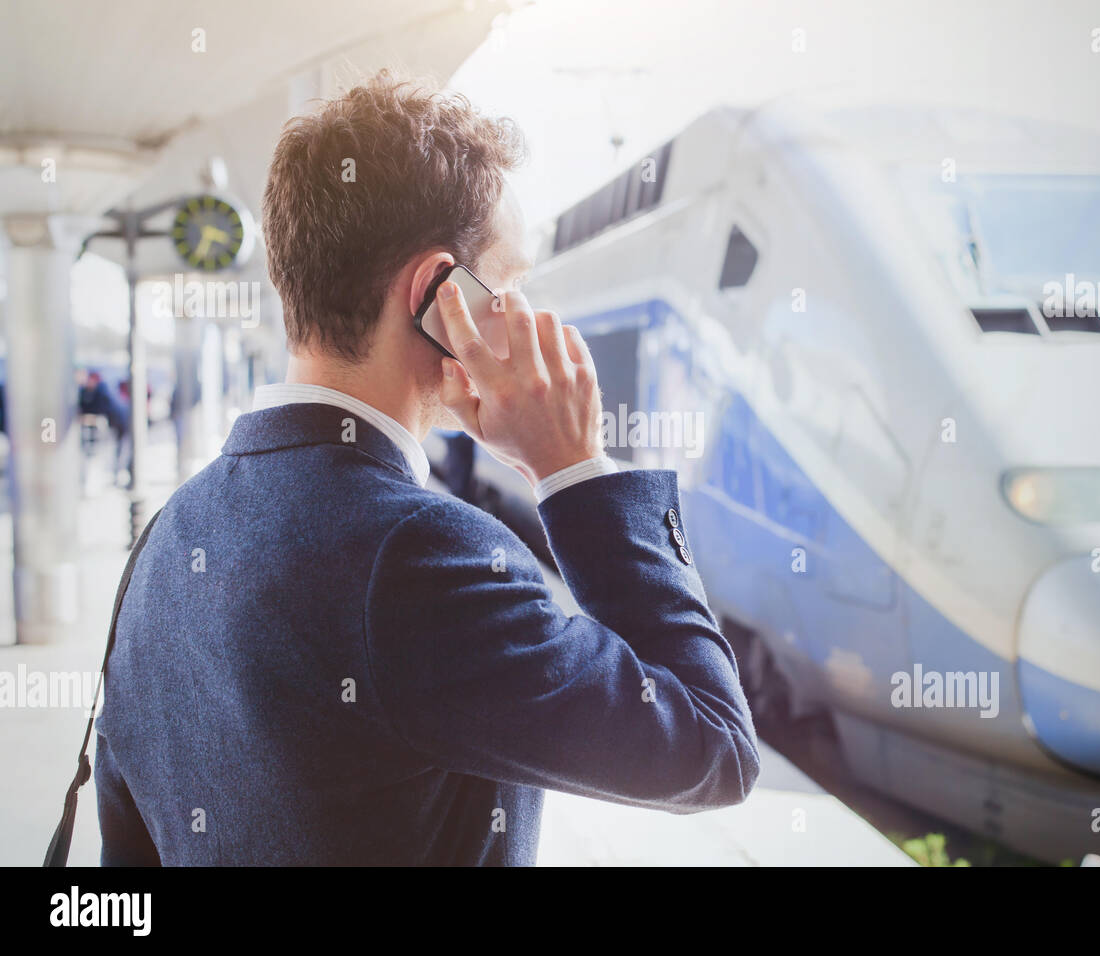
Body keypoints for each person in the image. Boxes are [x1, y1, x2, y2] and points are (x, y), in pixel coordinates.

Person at [94, 71, 760, 866]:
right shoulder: (424, 559)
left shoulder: (165, 539)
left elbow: (124, 863)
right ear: (439, 296)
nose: (521, 313)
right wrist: (574, 468)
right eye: (507, 285)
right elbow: (714, 746)